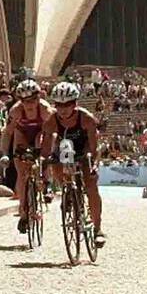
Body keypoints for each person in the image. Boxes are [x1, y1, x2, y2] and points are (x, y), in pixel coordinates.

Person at [39, 81, 104, 247]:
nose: (63, 109)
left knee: (91, 186)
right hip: (64, 147)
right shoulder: (51, 122)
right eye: (59, 105)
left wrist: (94, 165)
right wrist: (44, 164)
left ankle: (97, 229)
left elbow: (95, 149)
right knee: (55, 161)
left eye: (67, 105)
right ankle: (67, 190)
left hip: (84, 147)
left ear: (74, 104)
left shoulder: (87, 119)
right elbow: (46, 150)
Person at [0, 78, 53, 235]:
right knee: (21, 174)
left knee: (43, 147)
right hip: (22, 134)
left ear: (39, 98)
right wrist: (5, 154)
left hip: (40, 133)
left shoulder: (45, 109)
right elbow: (7, 133)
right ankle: (23, 214)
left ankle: (46, 181)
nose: (29, 105)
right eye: (25, 101)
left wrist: (48, 154)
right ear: (20, 100)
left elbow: (52, 133)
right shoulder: (15, 111)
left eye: (33, 100)